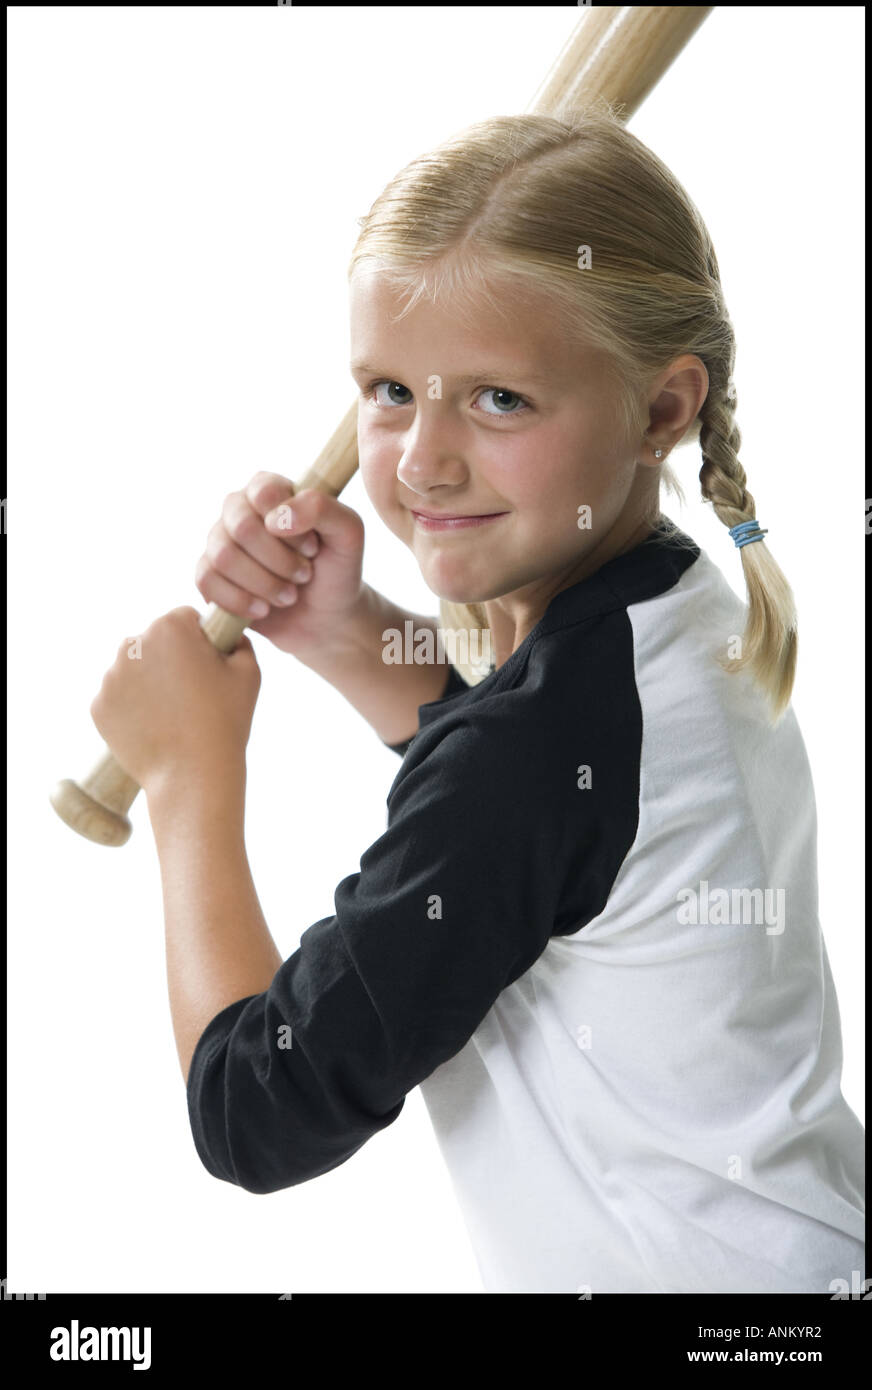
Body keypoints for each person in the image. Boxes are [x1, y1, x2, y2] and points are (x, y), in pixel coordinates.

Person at [90, 105, 864, 1293]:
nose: (418, 462)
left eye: (498, 400)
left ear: (660, 407)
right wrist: (348, 630)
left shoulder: (538, 750)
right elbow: (540, 818)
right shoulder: (667, 613)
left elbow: (257, 1104)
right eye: (391, 388)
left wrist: (191, 778)